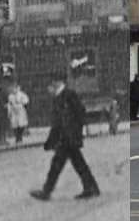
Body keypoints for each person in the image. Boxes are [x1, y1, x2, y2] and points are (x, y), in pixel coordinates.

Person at [29, 73, 99, 201]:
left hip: (68, 137)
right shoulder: (59, 97)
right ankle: (92, 187)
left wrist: (79, 130)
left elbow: (80, 111)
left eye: (52, 82)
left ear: (57, 82)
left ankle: (46, 191)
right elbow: (57, 122)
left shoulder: (69, 94)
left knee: (57, 164)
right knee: (78, 163)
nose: (50, 86)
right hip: (66, 137)